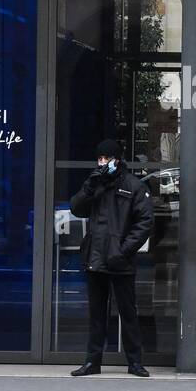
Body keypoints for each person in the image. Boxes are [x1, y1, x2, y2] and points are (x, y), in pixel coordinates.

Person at [68, 140, 154, 377]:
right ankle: (92, 362)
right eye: (100, 159)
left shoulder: (133, 186)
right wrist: (90, 186)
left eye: (107, 158)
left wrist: (124, 250)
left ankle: (135, 362)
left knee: (128, 314)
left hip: (120, 260)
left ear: (118, 160)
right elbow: (76, 208)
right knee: (97, 315)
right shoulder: (95, 183)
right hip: (96, 258)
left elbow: (144, 222)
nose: (103, 163)